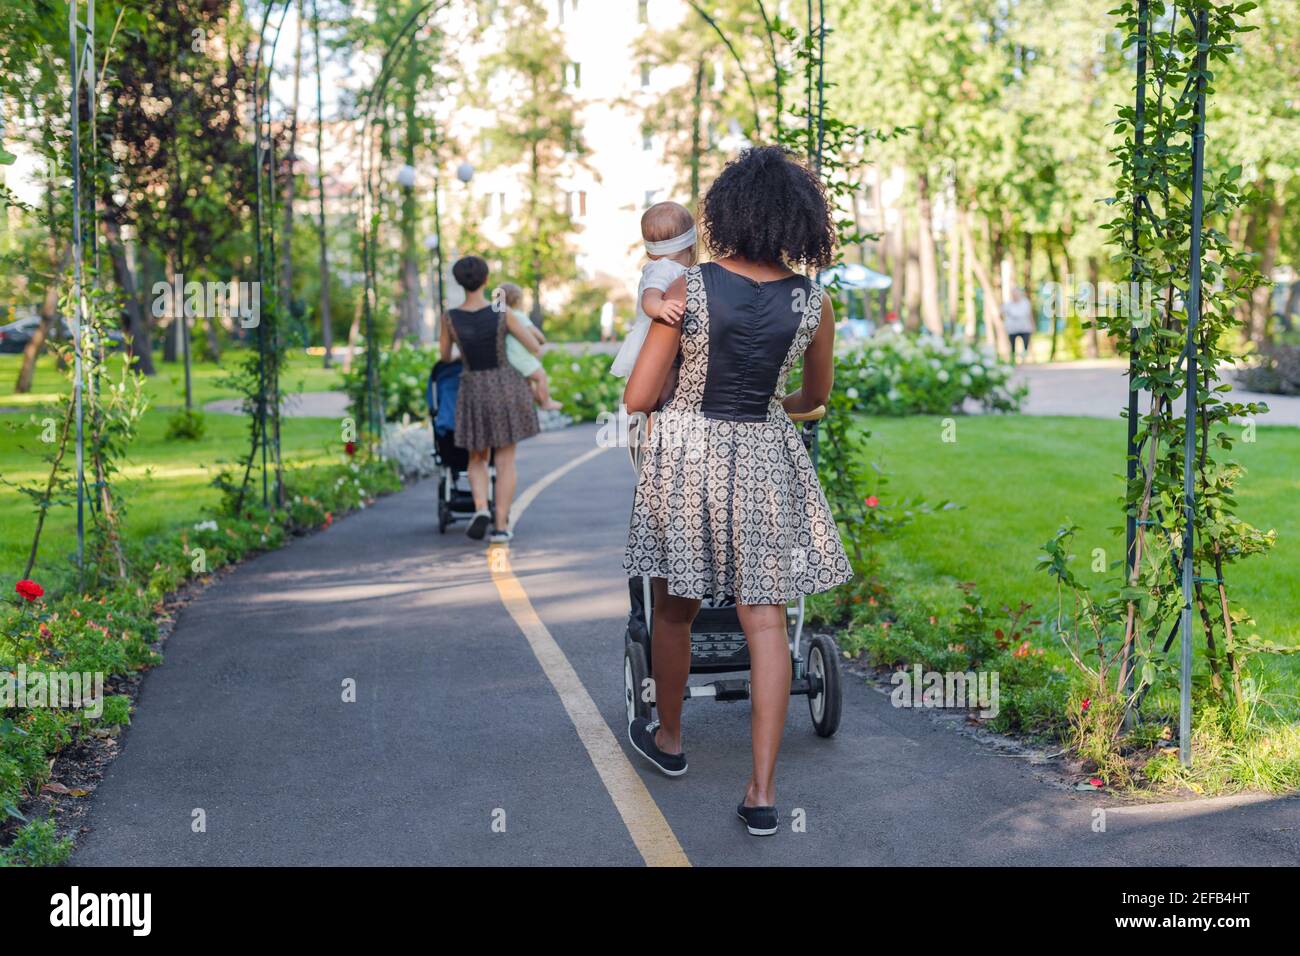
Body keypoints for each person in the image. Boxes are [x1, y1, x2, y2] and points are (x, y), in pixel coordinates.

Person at [621, 146, 852, 837]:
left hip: (688, 452)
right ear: (796, 221)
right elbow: (815, 395)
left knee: (675, 608)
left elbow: (637, 396)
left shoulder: (689, 292)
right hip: (763, 452)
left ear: (726, 213)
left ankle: (668, 740)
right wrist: (783, 404)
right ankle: (761, 792)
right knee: (765, 619)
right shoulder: (813, 301)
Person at [439, 256, 540, 543]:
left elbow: (445, 357)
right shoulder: (501, 312)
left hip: (472, 388)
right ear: (485, 281)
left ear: (460, 283)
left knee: (477, 457)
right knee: (506, 460)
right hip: (504, 386)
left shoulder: (449, 318)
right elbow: (533, 346)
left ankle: (480, 507)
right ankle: (500, 526)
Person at [609, 201, 697, 379]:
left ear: (650, 252)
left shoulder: (671, 268)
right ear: (691, 246)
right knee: (665, 377)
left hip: (664, 338)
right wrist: (660, 308)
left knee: (670, 375)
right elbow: (649, 298)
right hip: (652, 338)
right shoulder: (664, 268)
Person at [497, 282, 562, 411]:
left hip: (509, 357)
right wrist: (541, 340)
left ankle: (539, 399)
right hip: (521, 357)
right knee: (541, 376)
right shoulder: (518, 316)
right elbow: (539, 337)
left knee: (530, 382)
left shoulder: (500, 316)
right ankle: (546, 402)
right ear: (517, 300)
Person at [1002, 287, 1035, 363]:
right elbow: (1001, 314)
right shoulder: (1008, 304)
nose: (1015, 295)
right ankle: (1013, 360)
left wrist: (1033, 325)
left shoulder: (1025, 303)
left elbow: (1030, 315)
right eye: (1013, 294)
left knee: (1025, 344)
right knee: (1012, 345)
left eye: (1016, 294)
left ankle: (1024, 359)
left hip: (1025, 327)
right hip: (1012, 329)